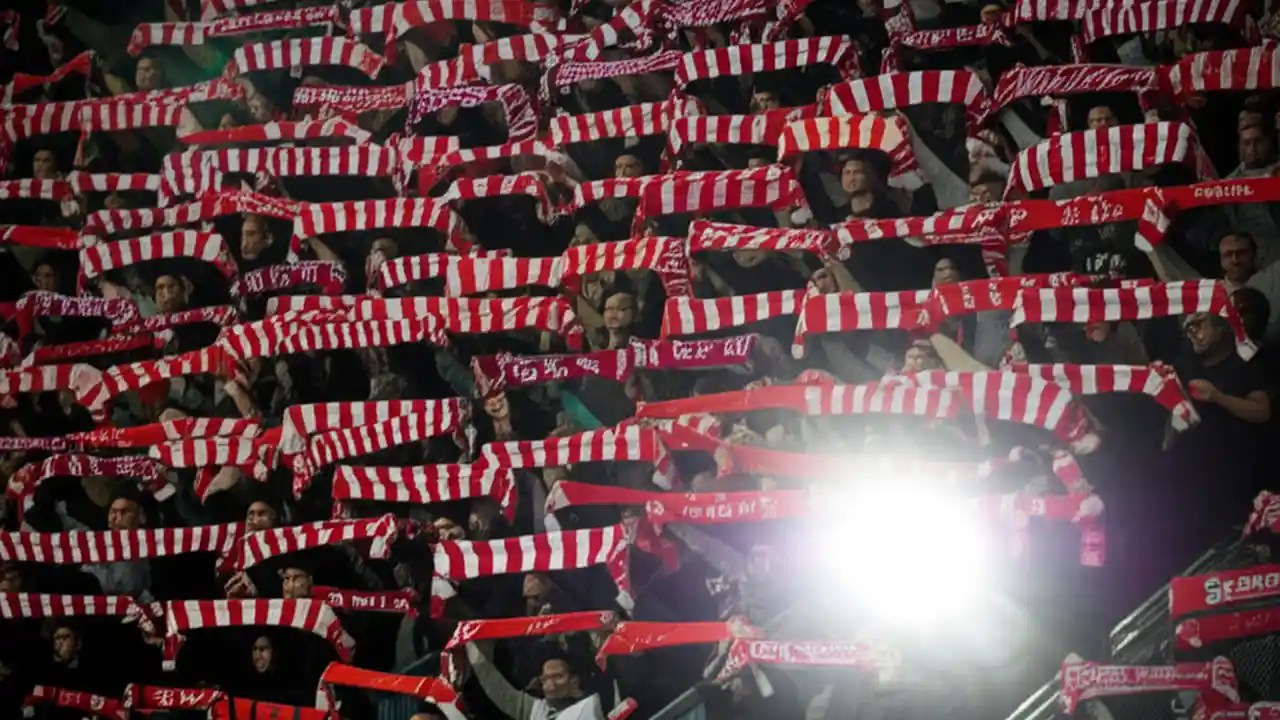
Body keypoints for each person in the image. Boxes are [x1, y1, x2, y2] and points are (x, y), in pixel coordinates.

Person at [465, 646, 606, 720]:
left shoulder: (593, 706)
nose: (551, 685)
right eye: (546, 679)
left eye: (558, 676)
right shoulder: (536, 710)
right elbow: (497, 688)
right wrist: (470, 647)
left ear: (574, 681)